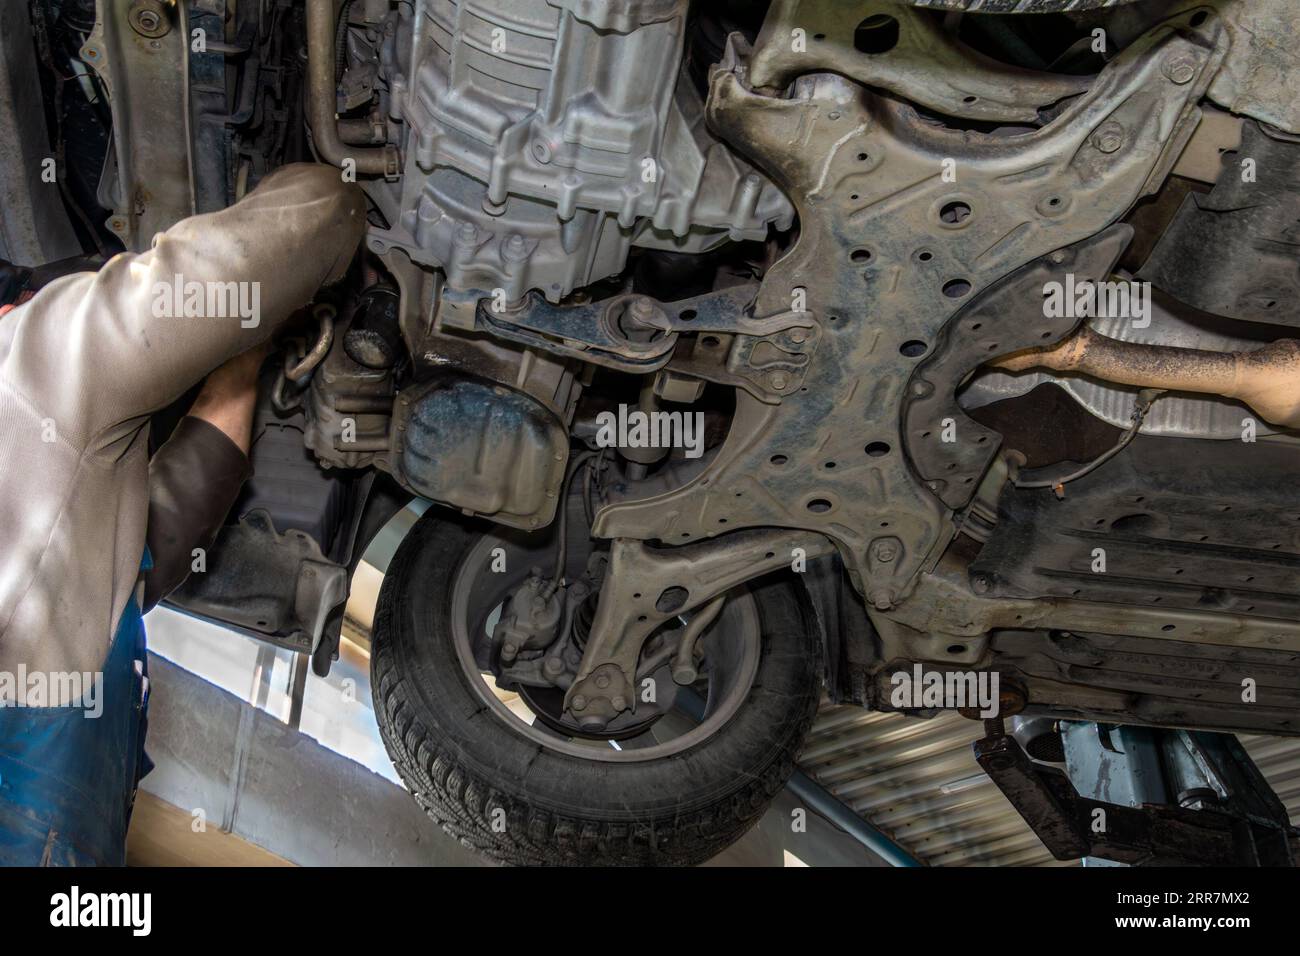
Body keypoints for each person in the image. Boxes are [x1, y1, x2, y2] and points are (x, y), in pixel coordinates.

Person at [0, 163, 365, 865]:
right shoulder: (23, 363)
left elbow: (168, 524)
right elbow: (234, 265)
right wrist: (336, 191)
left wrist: (243, 353)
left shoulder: (62, 557)